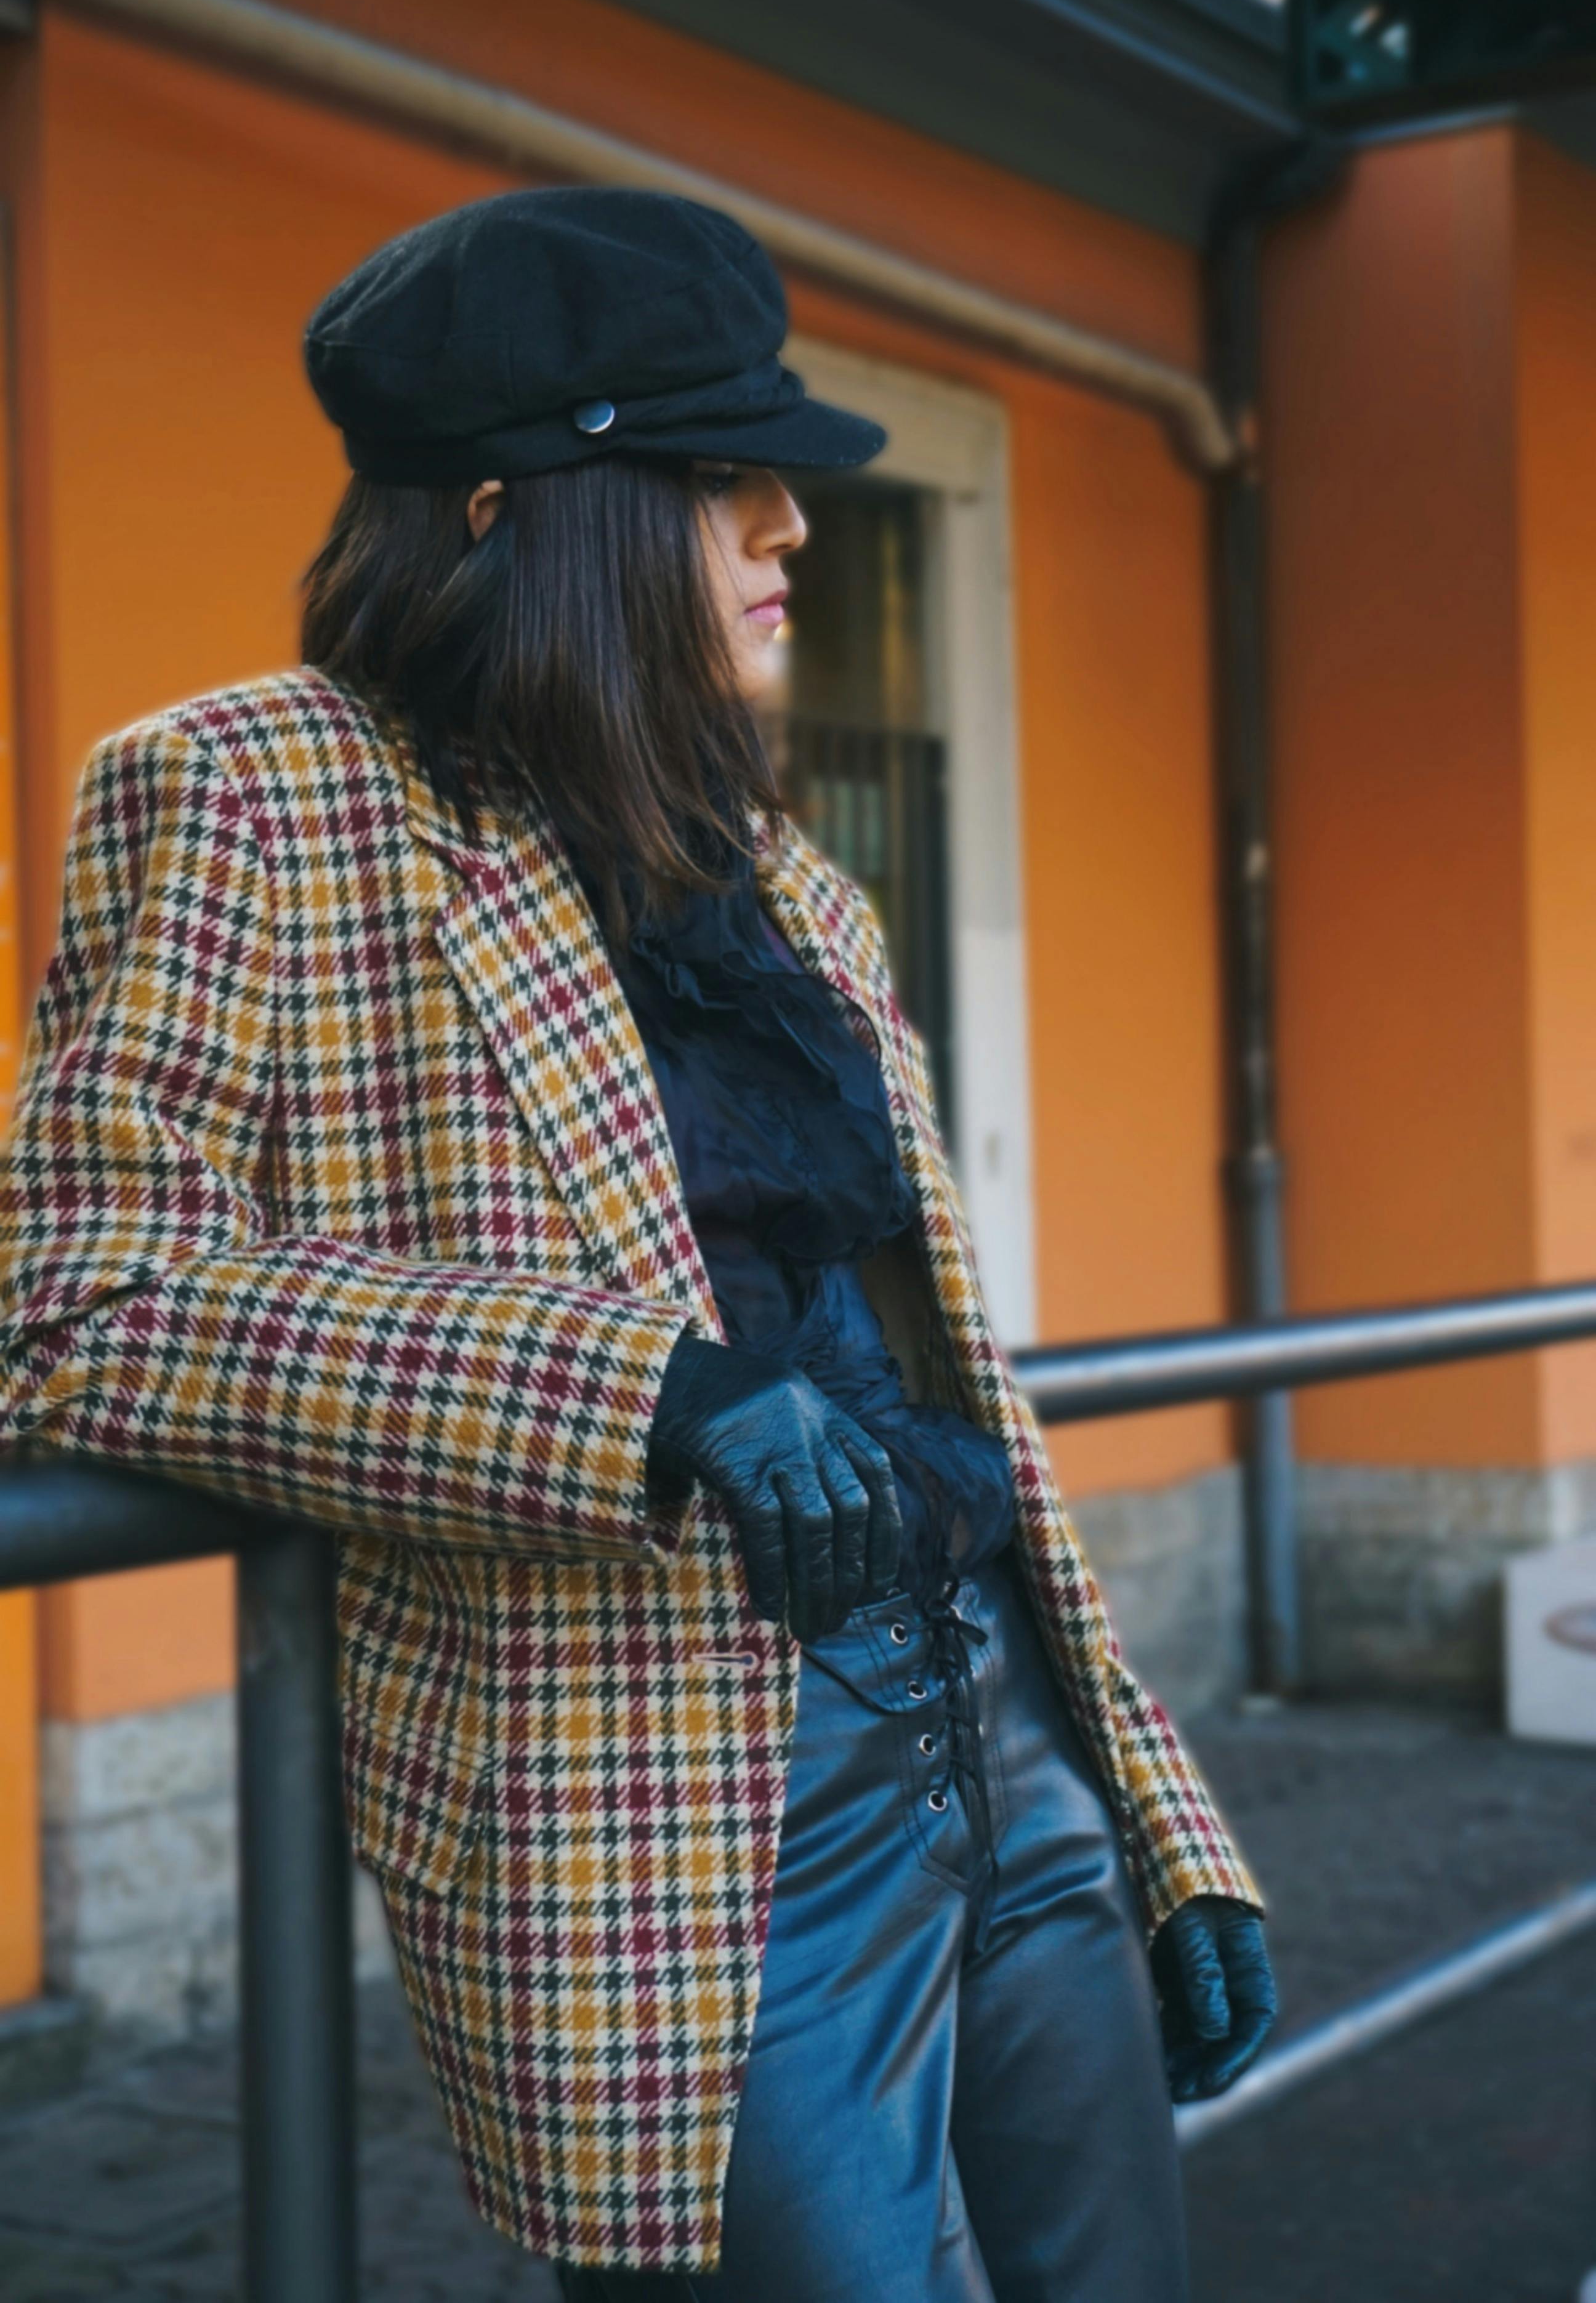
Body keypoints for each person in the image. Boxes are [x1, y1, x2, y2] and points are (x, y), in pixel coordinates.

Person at [0, 187, 1275, 2299]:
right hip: (678, 1813)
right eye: (725, 479)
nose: (790, 530)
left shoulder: (779, 875)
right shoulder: (251, 794)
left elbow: (938, 1371)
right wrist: (652, 1402)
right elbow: (85, 1304)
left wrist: (1158, 1815)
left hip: (1001, 1733)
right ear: (526, 508)